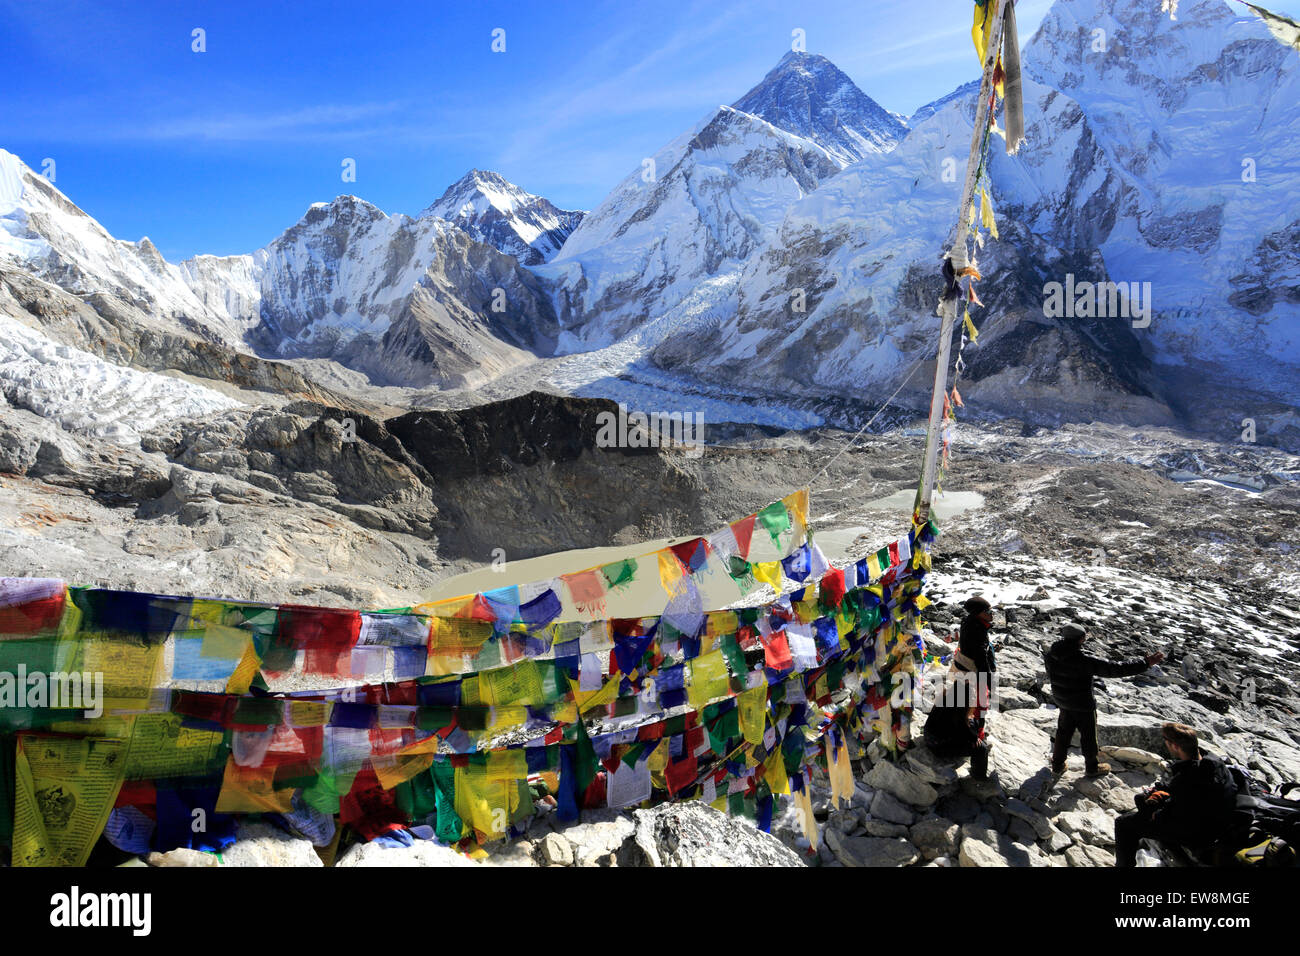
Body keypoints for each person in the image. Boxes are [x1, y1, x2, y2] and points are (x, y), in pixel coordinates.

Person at [1043, 622, 1164, 776]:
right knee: (1088, 737)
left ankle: (1058, 764)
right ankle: (1092, 768)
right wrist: (1144, 663)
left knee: (1063, 732)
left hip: (1062, 700)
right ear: (1080, 639)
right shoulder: (1083, 659)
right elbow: (1115, 668)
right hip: (1083, 704)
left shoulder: (1051, 654)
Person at [1113, 722, 1240, 867]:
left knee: (1124, 823)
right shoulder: (1214, 763)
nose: (1165, 742)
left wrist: (1150, 805)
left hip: (1201, 834)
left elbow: (1168, 814)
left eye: (1165, 739)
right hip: (1221, 824)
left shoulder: (1188, 779)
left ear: (1175, 746)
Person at [923, 680, 990, 778]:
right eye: (973, 697)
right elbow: (970, 735)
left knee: (973, 723)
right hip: (938, 747)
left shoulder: (946, 701)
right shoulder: (958, 717)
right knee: (981, 748)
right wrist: (975, 738)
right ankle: (979, 778)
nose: (975, 699)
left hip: (930, 737)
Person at [954, 596, 996, 713]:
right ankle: (976, 729)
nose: (992, 614)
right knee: (978, 705)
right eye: (988, 611)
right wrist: (989, 681)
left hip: (966, 669)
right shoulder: (976, 630)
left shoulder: (971, 623)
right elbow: (980, 658)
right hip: (975, 673)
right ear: (978, 613)